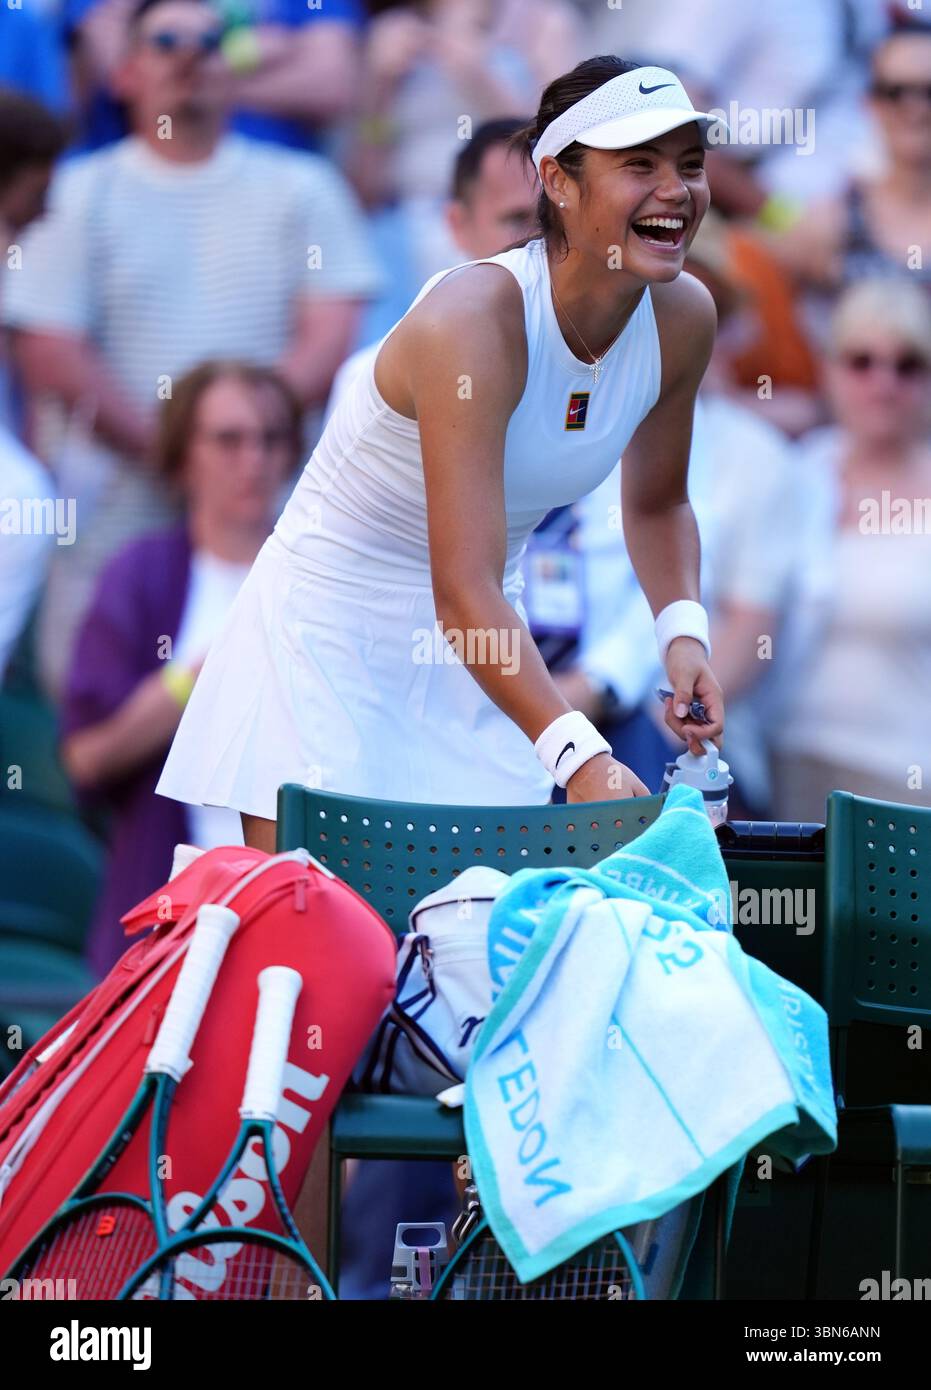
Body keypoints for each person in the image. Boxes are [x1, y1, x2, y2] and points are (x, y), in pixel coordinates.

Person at [157, 55, 729, 853]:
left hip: (483, 643)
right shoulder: (472, 320)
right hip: (327, 639)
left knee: (472, 955)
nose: (676, 190)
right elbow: (461, 588)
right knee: (312, 947)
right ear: (556, 181)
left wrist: (683, 638)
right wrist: (580, 755)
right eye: (640, 164)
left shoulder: (682, 316)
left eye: (690, 165)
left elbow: (657, 502)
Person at [4, 0, 383, 699]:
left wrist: (232, 451)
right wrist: (184, 454)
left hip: (261, 505)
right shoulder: (74, 189)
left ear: (233, 72)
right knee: (101, 718)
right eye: (166, 39)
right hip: (114, 507)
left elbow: (330, 334)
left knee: (272, 704)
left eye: (211, 41)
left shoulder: (305, 186)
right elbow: (49, 350)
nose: (189, 54)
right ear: (124, 73)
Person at [60, 362, 300, 976]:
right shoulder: (142, 575)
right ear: (181, 456)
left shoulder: (318, 580)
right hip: (170, 918)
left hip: (297, 904)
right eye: (229, 439)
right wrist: (197, 676)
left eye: (272, 439)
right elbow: (87, 757)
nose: (254, 459)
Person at [769, 278, 931, 821]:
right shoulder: (798, 472)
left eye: (907, 364)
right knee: (791, 910)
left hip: (908, 780)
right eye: (862, 361)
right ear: (831, 371)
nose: (883, 382)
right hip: (789, 767)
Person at [337, 115, 540, 382]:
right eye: (516, 219)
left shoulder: (606, 361)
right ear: (459, 225)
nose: (542, 238)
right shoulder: (368, 377)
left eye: (557, 218)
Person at [66, 0, 366, 153]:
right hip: (134, 186)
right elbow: (118, 68)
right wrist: (264, 52)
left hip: (270, 194)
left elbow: (330, 85)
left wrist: (179, 74)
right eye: (168, 44)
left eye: (207, 45)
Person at [774, 20, 931, 296]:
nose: (915, 108)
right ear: (869, 103)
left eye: (928, 92)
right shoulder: (829, 218)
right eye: (895, 92)